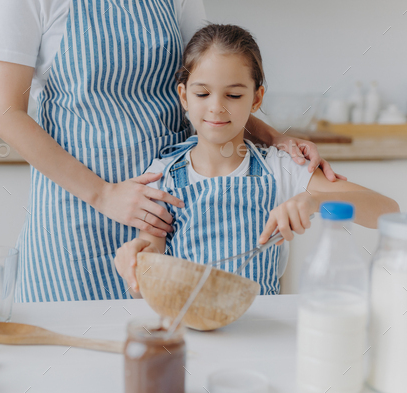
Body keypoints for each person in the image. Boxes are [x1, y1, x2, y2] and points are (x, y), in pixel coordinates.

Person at [0, 0, 344, 302]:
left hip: (171, 215)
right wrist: (103, 194)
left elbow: (210, 81)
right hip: (77, 216)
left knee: (163, 363)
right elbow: (4, 114)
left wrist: (272, 137)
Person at [114, 23, 399, 296]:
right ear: (184, 96)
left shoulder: (281, 167)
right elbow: (145, 288)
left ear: (256, 99)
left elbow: (388, 211)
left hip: (262, 334)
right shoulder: (160, 177)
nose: (216, 107)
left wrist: (315, 201)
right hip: (189, 336)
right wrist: (136, 267)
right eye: (202, 93)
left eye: (234, 95)